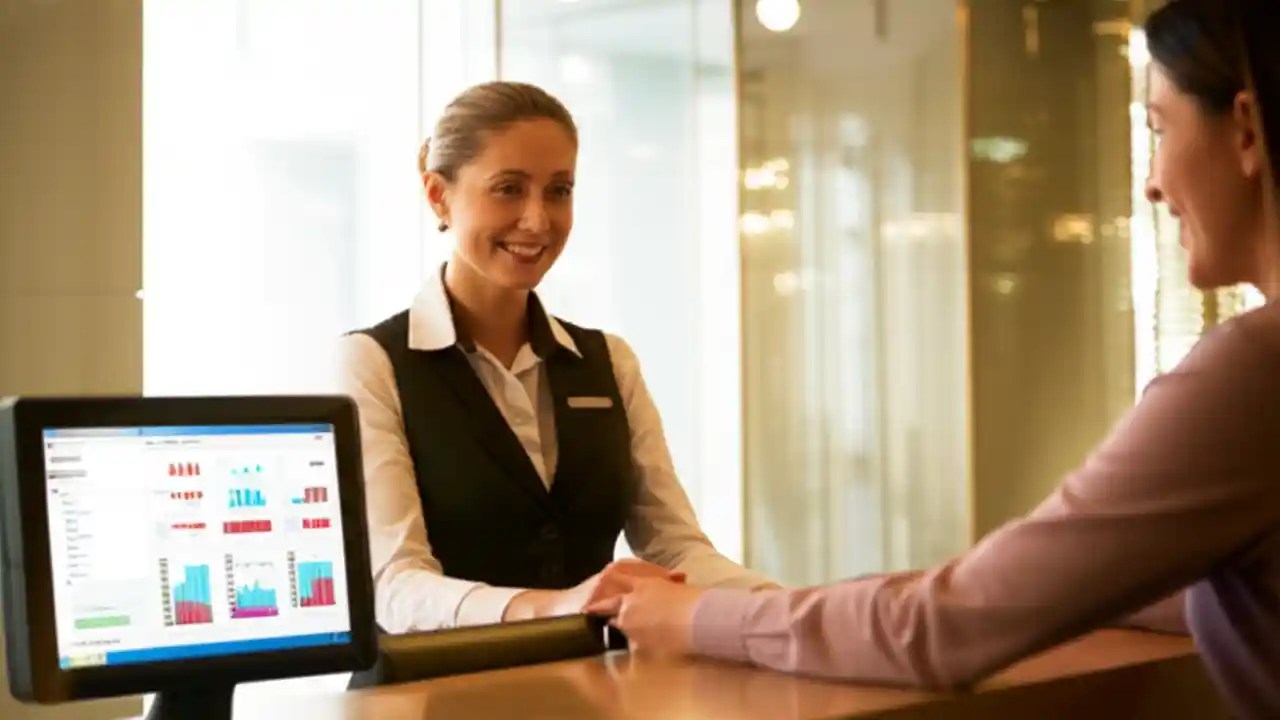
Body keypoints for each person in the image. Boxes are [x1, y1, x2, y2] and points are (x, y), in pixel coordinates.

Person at [590, 1, 1280, 717]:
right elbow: (1101, 588)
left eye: (1160, 129)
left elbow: (947, 627)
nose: (1152, 182)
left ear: (1245, 129)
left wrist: (699, 616)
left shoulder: (1252, 372)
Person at [339, 80, 774, 635]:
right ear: (438, 195)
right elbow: (397, 586)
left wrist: (792, 607)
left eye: (559, 191)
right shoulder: (372, 363)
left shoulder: (608, 361)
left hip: (588, 679)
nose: (538, 219)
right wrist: (555, 605)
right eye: (508, 189)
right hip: (434, 683)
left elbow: (675, 548)